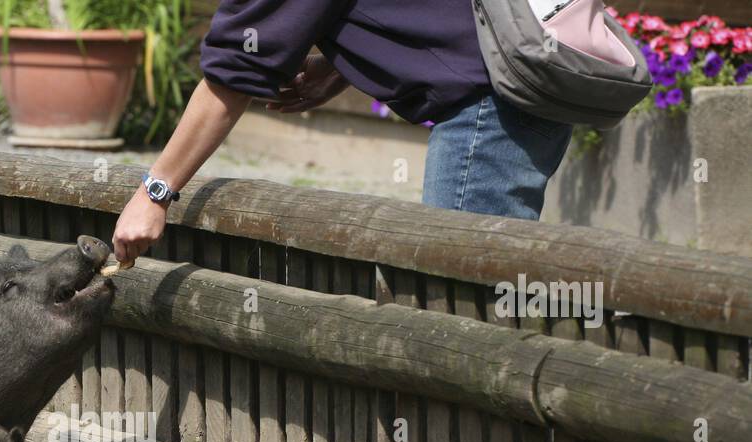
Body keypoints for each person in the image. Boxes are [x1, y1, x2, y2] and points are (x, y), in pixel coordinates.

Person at [111, 0, 573, 265]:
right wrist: (342, 65)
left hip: (489, 106)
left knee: (457, 302)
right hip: (521, 82)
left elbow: (236, 67)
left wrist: (155, 192)